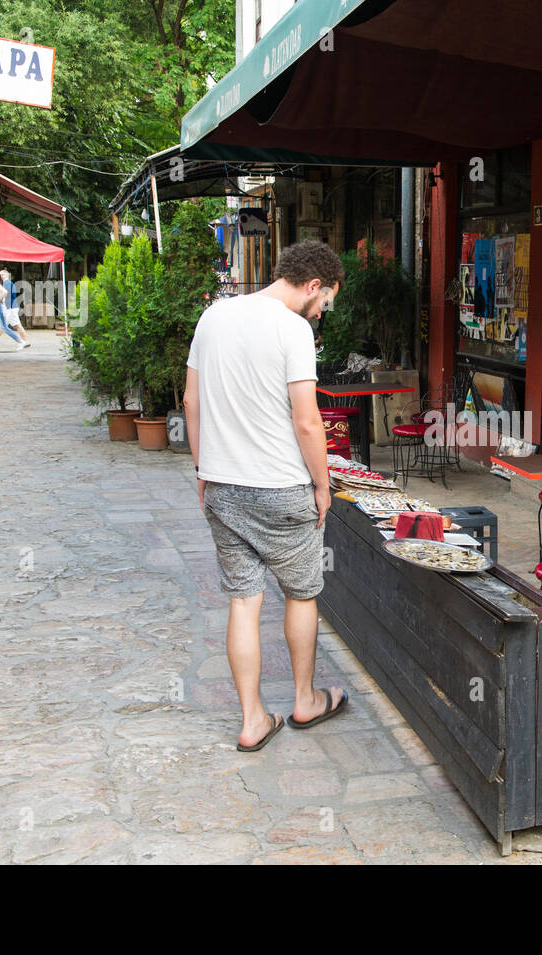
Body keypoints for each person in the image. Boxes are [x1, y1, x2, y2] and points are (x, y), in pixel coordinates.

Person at [184, 240, 349, 753]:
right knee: (302, 594)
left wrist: (201, 467)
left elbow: (191, 400)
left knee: (243, 601)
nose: (322, 314)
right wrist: (323, 485)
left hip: (224, 488)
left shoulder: (214, 315)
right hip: (282, 489)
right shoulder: (293, 329)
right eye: (325, 303)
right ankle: (304, 699)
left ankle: (253, 719)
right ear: (313, 285)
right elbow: (307, 420)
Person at [0, 268, 30, 348]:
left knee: (3, 326)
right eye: (0, 275)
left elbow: (6, 296)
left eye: (2, 274)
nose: (0, 276)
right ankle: (26, 341)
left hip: (10, 308)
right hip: (12, 307)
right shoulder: (8, 283)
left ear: (7, 275)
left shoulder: (6, 283)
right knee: (16, 325)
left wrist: (3, 306)